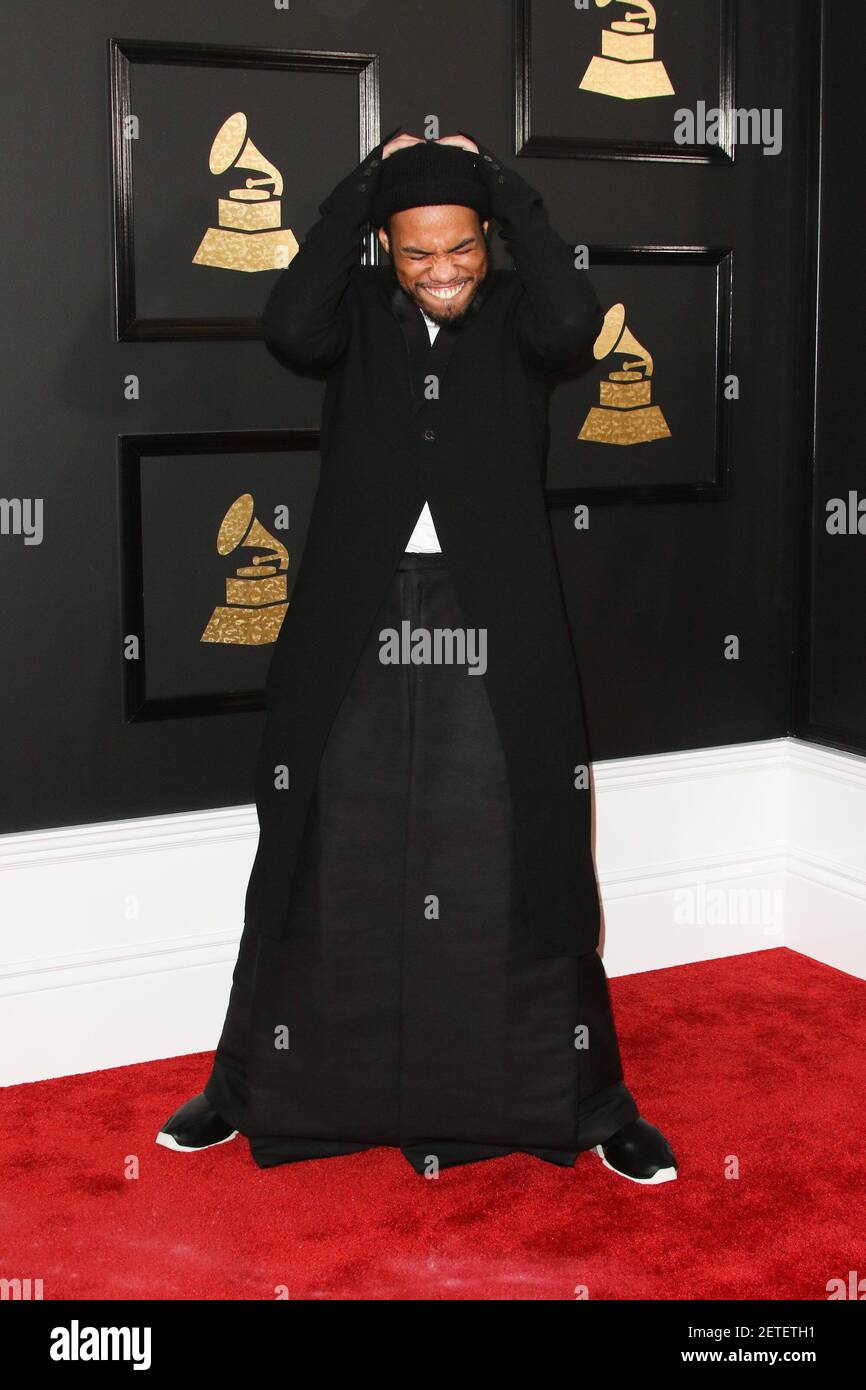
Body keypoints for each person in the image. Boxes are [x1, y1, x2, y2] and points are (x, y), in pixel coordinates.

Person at [156, 128, 678, 1184]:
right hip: (358, 613)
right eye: (414, 252)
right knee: (314, 841)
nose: (440, 271)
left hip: (494, 615)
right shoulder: (350, 315)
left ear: (484, 237)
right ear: (384, 250)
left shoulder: (521, 321)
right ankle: (247, 1086)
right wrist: (362, 187)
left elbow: (576, 319)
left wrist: (496, 183)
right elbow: (285, 323)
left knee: (525, 847)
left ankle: (585, 1100)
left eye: (459, 247)